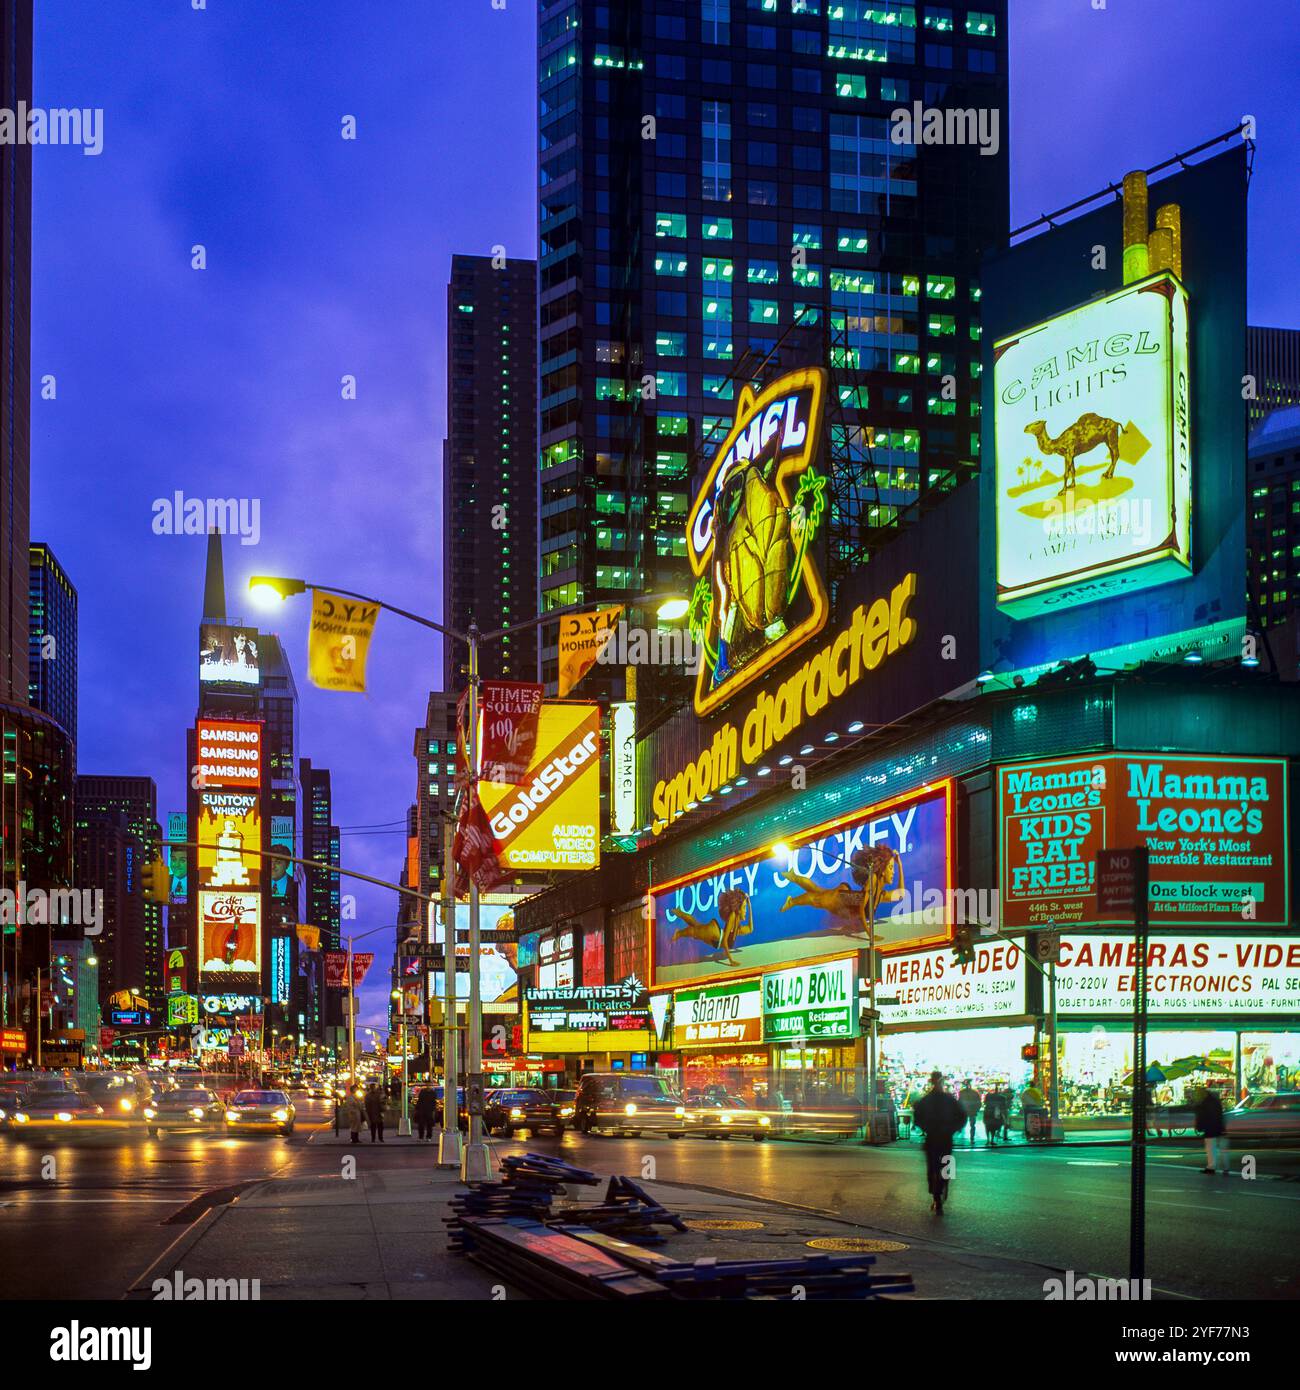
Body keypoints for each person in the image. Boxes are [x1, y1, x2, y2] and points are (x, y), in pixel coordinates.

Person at [912, 1071, 966, 1215]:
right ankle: (942, 1188)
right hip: (946, 1137)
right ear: (941, 1082)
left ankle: (936, 1196)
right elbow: (962, 1116)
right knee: (946, 1165)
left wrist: (927, 1128)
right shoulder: (949, 1099)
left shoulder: (926, 1100)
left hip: (932, 1138)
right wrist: (953, 1129)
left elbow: (917, 1118)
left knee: (933, 1167)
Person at [1194, 1086, 1229, 1175]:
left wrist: (1199, 1127)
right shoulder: (1216, 1101)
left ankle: (1211, 1167)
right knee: (1223, 1149)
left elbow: (1201, 1117)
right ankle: (1226, 1167)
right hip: (1220, 1128)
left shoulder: (1203, 1103)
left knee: (1211, 1149)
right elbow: (1220, 1114)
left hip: (1210, 1129)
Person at [957, 1078, 981, 1144]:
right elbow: (979, 1102)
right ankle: (972, 1139)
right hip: (971, 1111)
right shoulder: (974, 1092)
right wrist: (977, 1109)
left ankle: (969, 1138)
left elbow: (959, 1101)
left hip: (966, 1111)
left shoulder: (962, 1092)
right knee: (972, 1125)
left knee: (964, 1124)